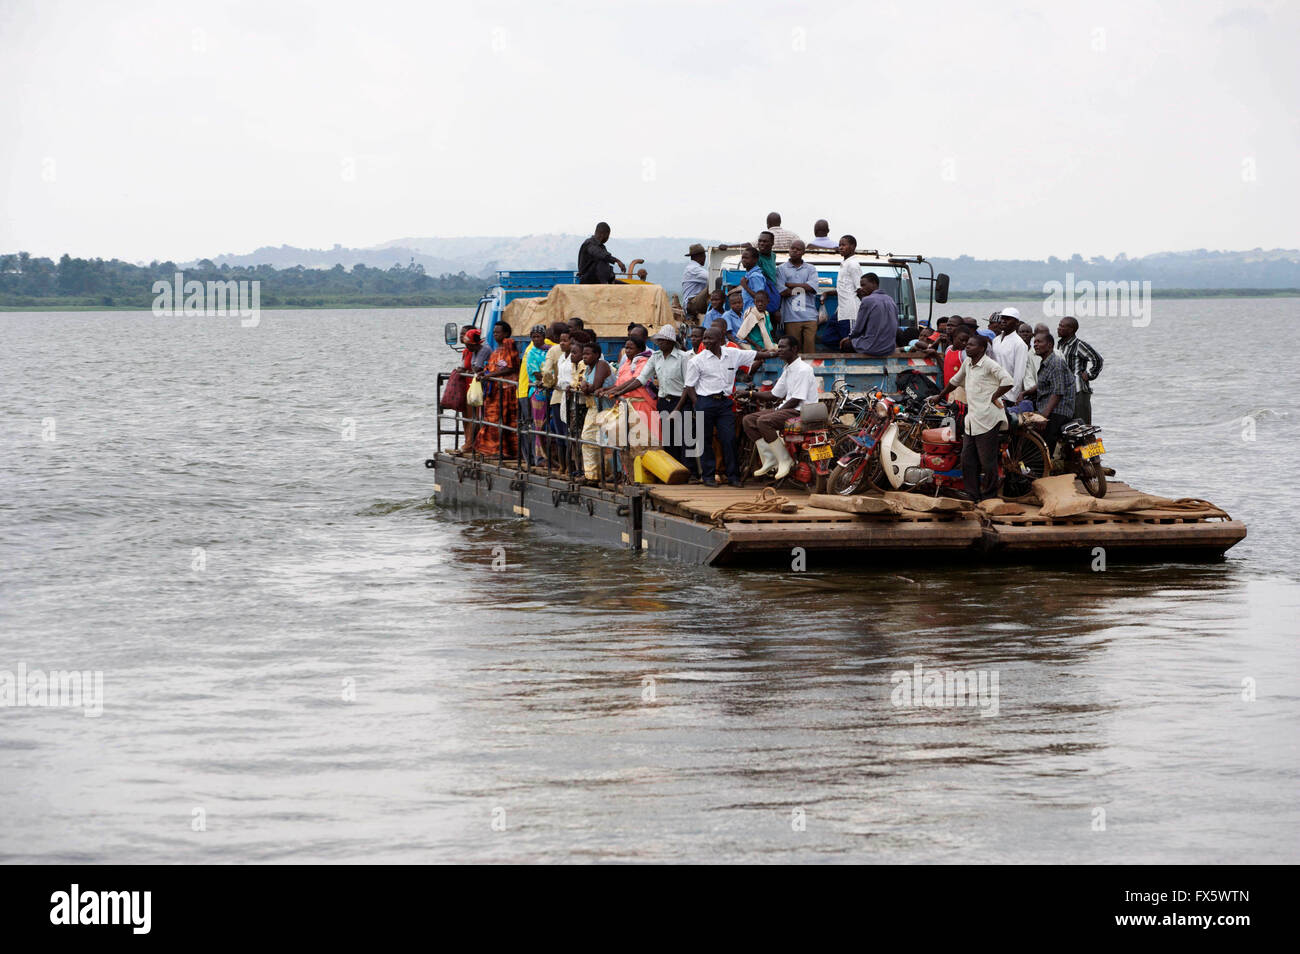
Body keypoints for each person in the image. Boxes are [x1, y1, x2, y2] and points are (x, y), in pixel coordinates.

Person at [684, 326, 774, 487]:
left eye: (709, 338)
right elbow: (689, 386)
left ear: (720, 340)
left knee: (729, 439)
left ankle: (733, 477)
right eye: (705, 338)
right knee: (705, 441)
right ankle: (709, 476)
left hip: (725, 403)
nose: (705, 341)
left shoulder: (733, 354)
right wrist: (698, 403)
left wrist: (774, 353)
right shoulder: (696, 361)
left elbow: (755, 355)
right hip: (705, 402)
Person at [934, 333, 1013, 501]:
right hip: (973, 419)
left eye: (971, 345)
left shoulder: (989, 364)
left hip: (988, 418)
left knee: (987, 461)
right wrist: (939, 396)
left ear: (982, 349)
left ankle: (990, 496)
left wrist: (994, 396)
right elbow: (954, 381)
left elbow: (1008, 381)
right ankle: (973, 495)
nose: (967, 347)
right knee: (967, 459)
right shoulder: (968, 363)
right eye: (967, 344)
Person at [608, 323, 693, 471]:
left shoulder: (683, 357)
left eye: (663, 340)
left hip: (680, 401)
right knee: (669, 439)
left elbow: (688, 385)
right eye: (658, 340)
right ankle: (674, 471)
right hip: (663, 402)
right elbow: (640, 379)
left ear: (671, 342)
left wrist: (677, 409)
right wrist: (618, 392)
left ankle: (689, 471)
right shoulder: (655, 357)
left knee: (685, 439)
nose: (659, 343)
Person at [745, 335, 820, 479]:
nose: (779, 350)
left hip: (802, 411)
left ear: (794, 349)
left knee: (764, 421)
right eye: (778, 347)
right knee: (748, 420)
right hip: (790, 409)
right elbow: (774, 394)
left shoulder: (803, 369)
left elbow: (797, 399)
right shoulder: (788, 369)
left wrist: (778, 410)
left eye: (783, 347)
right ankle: (770, 458)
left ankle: (784, 459)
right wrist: (750, 394)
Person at [600, 338, 660, 476]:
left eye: (630, 348)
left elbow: (637, 380)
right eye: (626, 348)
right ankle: (629, 475)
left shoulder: (644, 362)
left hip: (641, 406)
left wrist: (616, 392)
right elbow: (619, 383)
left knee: (643, 443)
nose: (627, 351)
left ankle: (646, 475)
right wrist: (607, 390)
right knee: (624, 444)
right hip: (625, 407)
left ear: (640, 349)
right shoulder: (626, 363)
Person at [473, 321, 521, 459]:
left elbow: (511, 367)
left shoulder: (508, 345)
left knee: (504, 420)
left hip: (506, 390)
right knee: (493, 420)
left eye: (498, 332)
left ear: (505, 333)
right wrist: (484, 373)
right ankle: (493, 449)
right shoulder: (496, 350)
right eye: (494, 332)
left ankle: (505, 451)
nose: (495, 334)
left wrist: (490, 375)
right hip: (494, 390)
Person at [1025, 330, 1075, 454]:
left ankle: (1042, 470)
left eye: (1039, 342)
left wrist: (1043, 416)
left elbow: (1058, 392)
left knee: (1041, 444)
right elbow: (1044, 383)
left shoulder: (1056, 363)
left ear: (1050, 345)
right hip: (1049, 409)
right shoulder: (1046, 362)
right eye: (1034, 342)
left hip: (1058, 411)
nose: (1035, 344)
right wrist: (1026, 392)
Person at [577, 341, 613, 482]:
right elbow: (586, 388)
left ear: (597, 355)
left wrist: (586, 386)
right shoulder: (588, 369)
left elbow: (595, 386)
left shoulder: (602, 365)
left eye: (587, 354)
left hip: (608, 409)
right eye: (583, 354)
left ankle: (611, 473)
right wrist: (585, 386)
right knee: (588, 438)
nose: (584, 357)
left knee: (608, 441)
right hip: (594, 407)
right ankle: (592, 474)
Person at [776, 239, 820, 354]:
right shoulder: (781, 269)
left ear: (803, 252)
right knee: (793, 351)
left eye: (798, 249)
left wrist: (790, 285)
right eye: (792, 248)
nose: (794, 251)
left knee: (810, 352)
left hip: (810, 315)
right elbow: (783, 291)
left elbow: (812, 287)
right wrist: (803, 287)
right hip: (791, 317)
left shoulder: (810, 268)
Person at [1057, 316, 1103, 425]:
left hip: (1079, 392)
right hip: (1065, 392)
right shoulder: (1060, 345)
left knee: (1082, 426)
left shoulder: (1079, 345)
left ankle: (1089, 442)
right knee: (1069, 426)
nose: (1058, 328)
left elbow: (1098, 359)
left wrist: (1089, 374)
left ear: (1071, 330)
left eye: (1062, 326)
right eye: (1059, 325)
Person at [840, 273, 897, 355]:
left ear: (874, 283)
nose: (861, 289)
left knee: (845, 344)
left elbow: (858, 329)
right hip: (889, 349)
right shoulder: (891, 300)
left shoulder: (867, 300)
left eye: (863, 285)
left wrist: (848, 338)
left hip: (872, 347)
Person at [522, 324, 554, 463]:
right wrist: (547, 379)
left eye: (538, 336)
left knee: (551, 424)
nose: (536, 339)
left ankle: (553, 455)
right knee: (539, 424)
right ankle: (540, 457)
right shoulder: (531, 353)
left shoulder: (551, 350)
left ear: (544, 337)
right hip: (538, 392)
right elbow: (535, 373)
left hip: (553, 390)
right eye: (533, 337)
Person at [826, 234, 862, 345]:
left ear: (853, 247)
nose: (840, 247)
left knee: (849, 342)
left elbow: (860, 289)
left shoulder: (853, 265)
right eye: (839, 245)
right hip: (840, 311)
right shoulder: (844, 264)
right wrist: (827, 293)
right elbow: (844, 288)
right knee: (827, 338)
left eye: (843, 245)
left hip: (850, 312)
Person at [989, 306, 1029, 402]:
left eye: (1007, 319)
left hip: (1008, 396)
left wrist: (1012, 397)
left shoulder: (1019, 344)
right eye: (1002, 318)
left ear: (1017, 323)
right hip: (993, 392)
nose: (1003, 321)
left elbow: (1019, 375)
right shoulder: (996, 340)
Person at [738, 245, 768, 316]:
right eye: (742, 258)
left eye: (746, 258)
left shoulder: (755, 276)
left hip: (754, 313)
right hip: (748, 311)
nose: (743, 260)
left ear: (755, 260)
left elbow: (760, 298)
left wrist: (745, 286)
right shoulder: (749, 274)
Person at [682, 243, 710, 316]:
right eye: (704, 256)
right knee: (714, 284)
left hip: (693, 302)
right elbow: (712, 277)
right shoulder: (693, 269)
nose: (705, 258)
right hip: (691, 304)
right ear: (699, 256)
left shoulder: (693, 268)